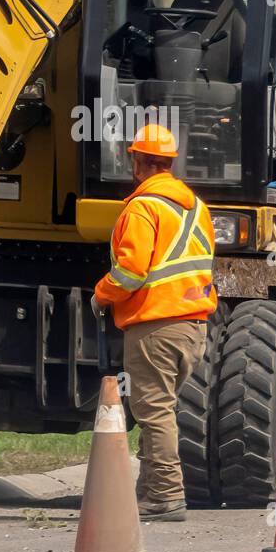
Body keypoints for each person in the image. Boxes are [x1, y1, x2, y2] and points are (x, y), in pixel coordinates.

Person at [92, 123, 217, 521]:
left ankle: (165, 496)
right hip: (192, 326)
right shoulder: (195, 207)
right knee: (159, 410)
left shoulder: (143, 207)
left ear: (138, 161)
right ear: (169, 161)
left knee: (154, 412)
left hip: (156, 324)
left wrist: (101, 295)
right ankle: (147, 494)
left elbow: (130, 271)